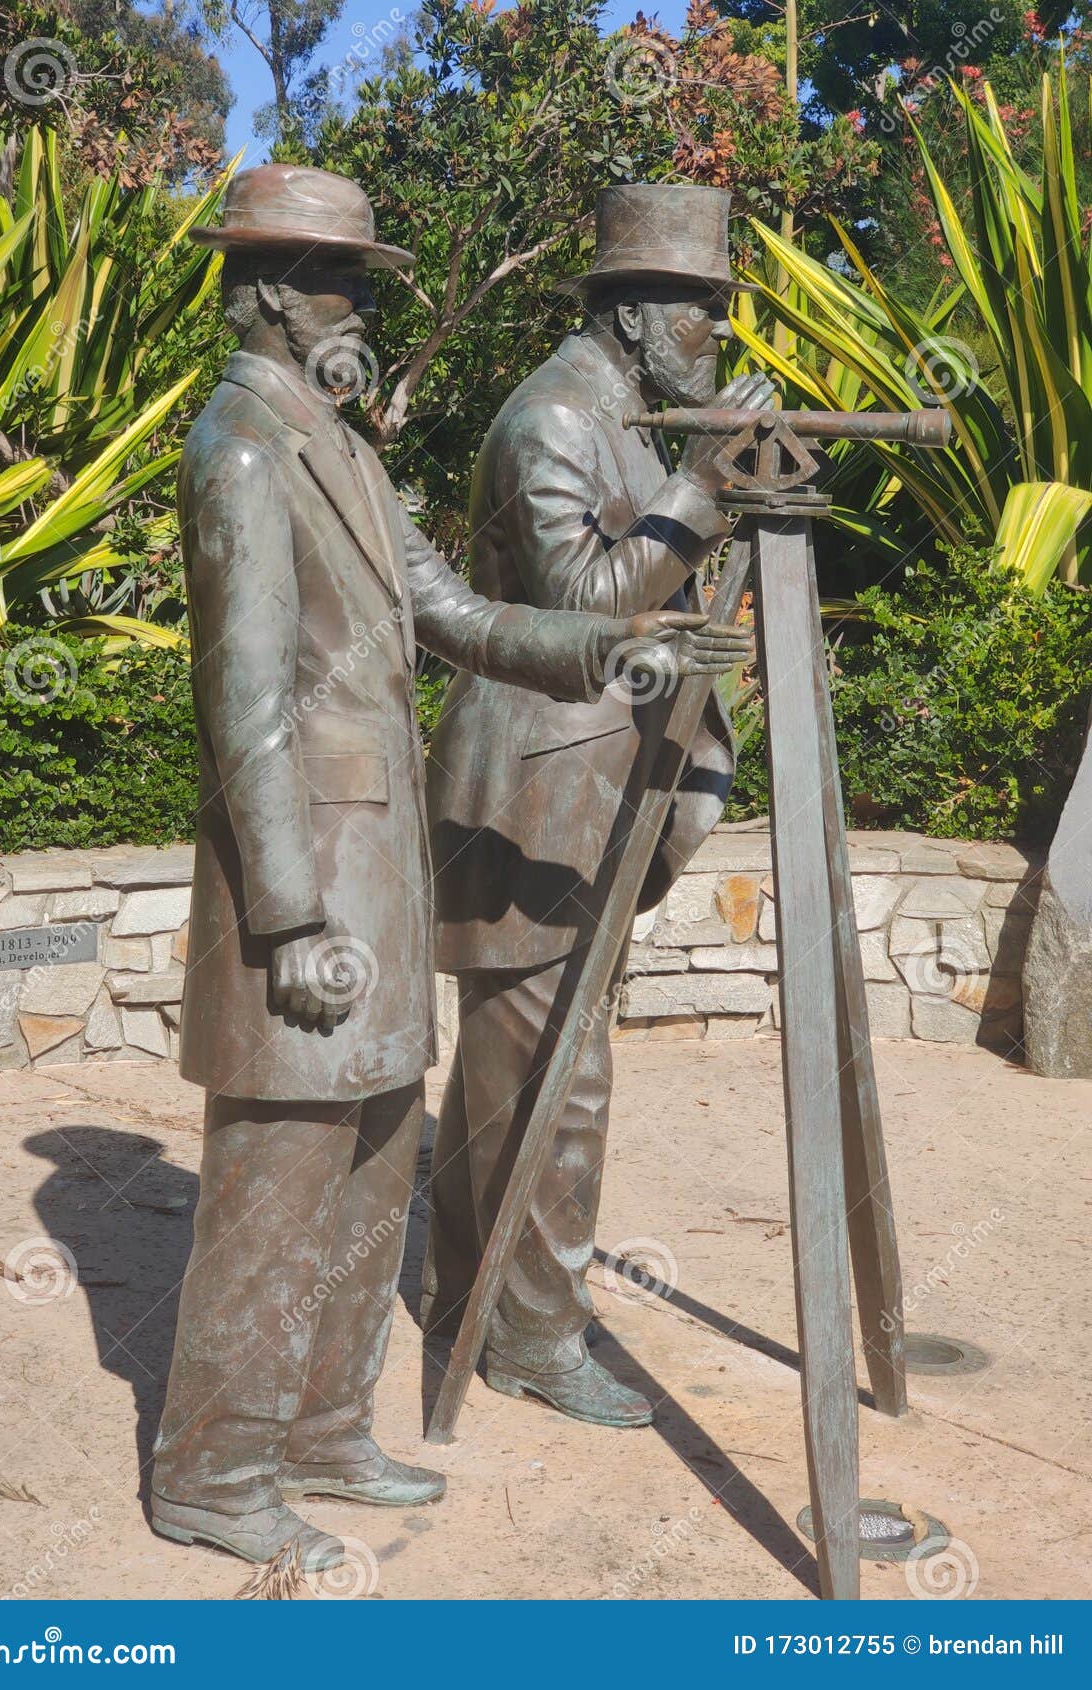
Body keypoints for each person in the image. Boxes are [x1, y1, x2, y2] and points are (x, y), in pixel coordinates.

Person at [149, 165, 750, 1570]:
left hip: (381, 865)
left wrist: (610, 648)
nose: (362, 305)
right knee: (279, 1180)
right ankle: (213, 1466)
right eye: (345, 283)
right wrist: (290, 913)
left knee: (367, 1172)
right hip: (310, 885)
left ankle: (322, 1429)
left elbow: (461, 612)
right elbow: (243, 705)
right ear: (278, 299)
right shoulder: (240, 446)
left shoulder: (341, 447)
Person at [424, 184, 770, 1428]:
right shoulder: (552, 419)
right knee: (556, 1083)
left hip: (591, 791)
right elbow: (581, 600)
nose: (717, 339)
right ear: (635, 316)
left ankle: (471, 1297)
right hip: (532, 791)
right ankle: (533, 1335)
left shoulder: (624, 410)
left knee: (523, 1071)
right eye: (701, 313)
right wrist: (697, 480)